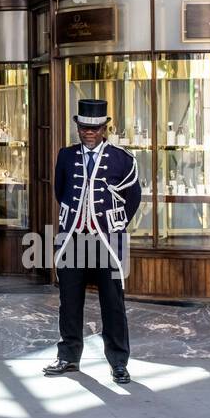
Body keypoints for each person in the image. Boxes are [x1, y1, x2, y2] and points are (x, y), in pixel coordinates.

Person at [43, 98, 142, 385]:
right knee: (68, 302)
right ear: (78, 126)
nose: (89, 132)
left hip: (107, 241)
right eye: (84, 127)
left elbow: (132, 198)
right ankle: (68, 356)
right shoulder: (66, 155)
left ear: (104, 128)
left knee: (113, 304)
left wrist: (111, 223)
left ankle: (119, 363)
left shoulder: (123, 158)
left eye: (95, 127)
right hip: (73, 237)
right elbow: (60, 191)